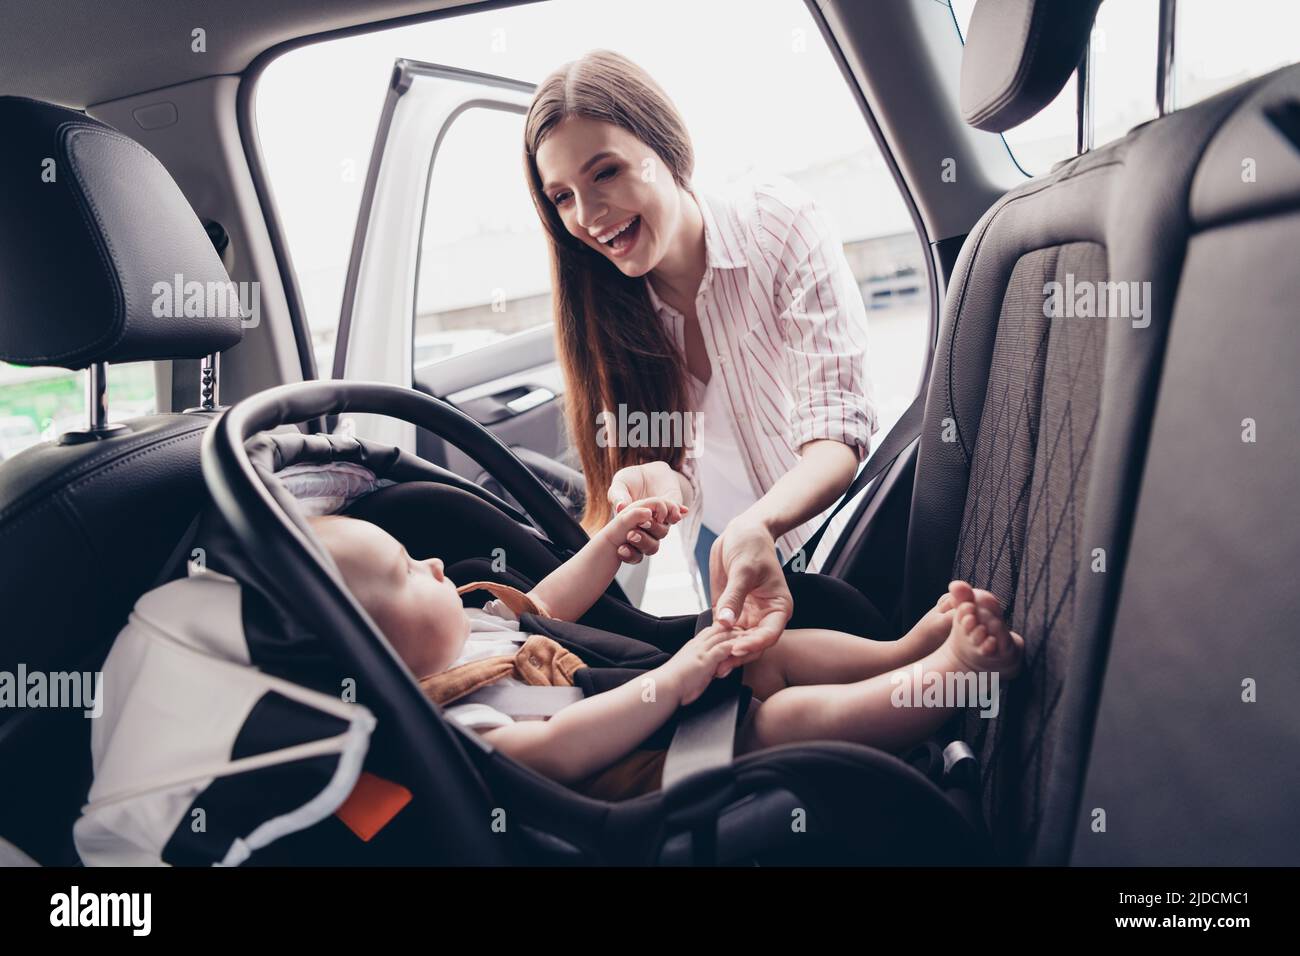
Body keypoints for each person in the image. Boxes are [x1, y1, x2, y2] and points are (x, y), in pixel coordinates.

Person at [524, 50, 878, 674]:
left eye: (604, 172)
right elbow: (679, 463)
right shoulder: (607, 310)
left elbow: (837, 436)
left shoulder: (777, 224)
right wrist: (658, 481)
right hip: (718, 544)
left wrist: (757, 526)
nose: (588, 215)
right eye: (563, 197)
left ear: (666, 149)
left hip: (833, 525)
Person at [307, 507, 1022, 801]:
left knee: (776, 655)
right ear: (372, 652)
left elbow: (551, 603)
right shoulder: (451, 721)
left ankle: (901, 652)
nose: (433, 564)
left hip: (661, 705)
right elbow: (556, 748)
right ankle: (951, 678)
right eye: (405, 571)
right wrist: (674, 683)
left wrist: (606, 545)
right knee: (783, 717)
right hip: (649, 769)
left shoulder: (476, 622)